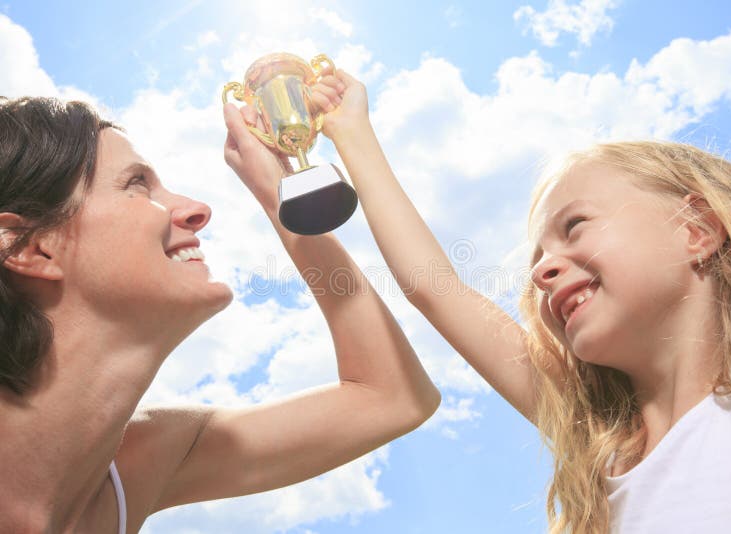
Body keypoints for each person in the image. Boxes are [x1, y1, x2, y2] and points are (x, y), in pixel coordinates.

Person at [313, 68, 731, 532]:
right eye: (538, 259)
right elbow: (435, 288)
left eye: (575, 226)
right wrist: (350, 132)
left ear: (695, 230)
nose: (543, 272)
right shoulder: (605, 442)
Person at [0, 91, 440, 533]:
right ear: (31, 248)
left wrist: (281, 191)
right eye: (136, 184)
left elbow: (394, 398)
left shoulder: (139, 464)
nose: (197, 210)